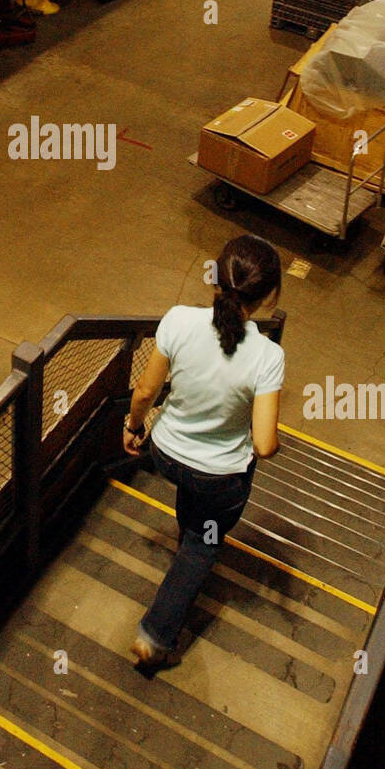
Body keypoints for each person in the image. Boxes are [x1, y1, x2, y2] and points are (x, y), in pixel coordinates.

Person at [122, 234, 284, 669]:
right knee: (202, 543)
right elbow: (265, 444)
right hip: (219, 477)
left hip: (167, 455)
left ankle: (187, 528)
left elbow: (145, 390)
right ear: (269, 297)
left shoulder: (177, 321)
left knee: (191, 499)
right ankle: (154, 637)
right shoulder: (268, 356)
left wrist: (133, 427)